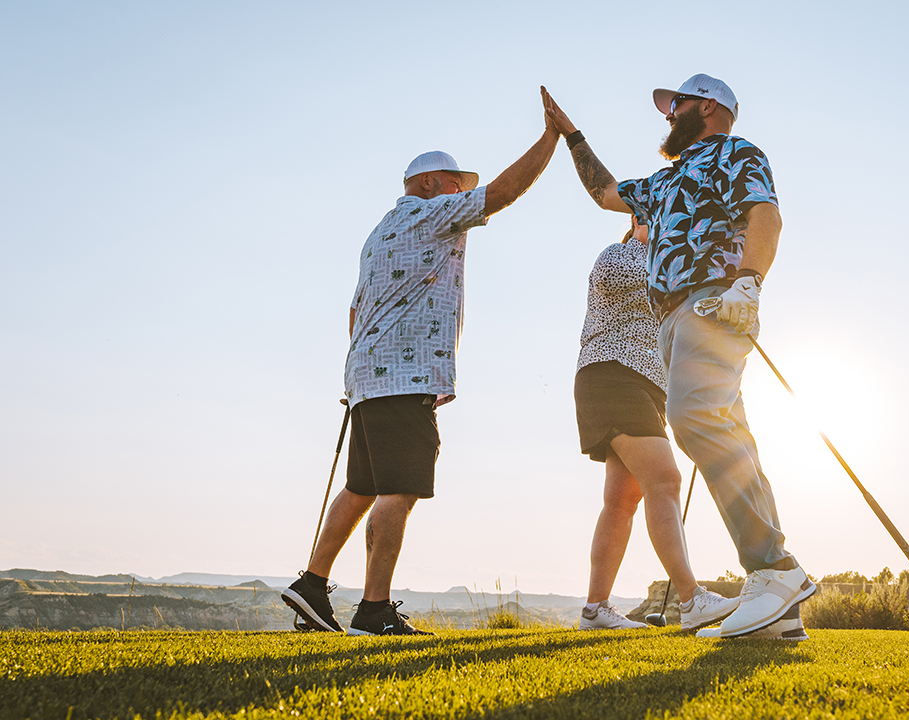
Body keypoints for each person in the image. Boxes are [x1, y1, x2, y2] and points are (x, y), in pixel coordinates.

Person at [542, 74, 814, 639]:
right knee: (723, 426)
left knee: (695, 421)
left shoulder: (736, 153)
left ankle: (773, 570)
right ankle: (779, 613)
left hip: (713, 301)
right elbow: (605, 192)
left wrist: (750, 282)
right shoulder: (664, 183)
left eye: (678, 105)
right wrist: (572, 137)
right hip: (669, 319)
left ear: (708, 106)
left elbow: (766, 215)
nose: (670, 116)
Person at [282, 88, 560, 636]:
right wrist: (550, 139)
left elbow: (356, 308)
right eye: (458, 185)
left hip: (366, 373)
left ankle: (311, 585)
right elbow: (502, 193)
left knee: (361, 487)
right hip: (404, 374)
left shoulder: (378, 231)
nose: (463, 195)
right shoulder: (431, 214)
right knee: (399, 489)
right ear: (432, 185)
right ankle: (374, 609)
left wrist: (357, 374)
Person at [575, 215, 738, 632]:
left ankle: (595, 609)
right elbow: (650, 281)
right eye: (654, 217)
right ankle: (691, 598)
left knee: (621, 499)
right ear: (634, 223)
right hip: (612, 374)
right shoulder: (617, 258)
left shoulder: (669, 268)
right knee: (664, 479)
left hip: (647, 388)